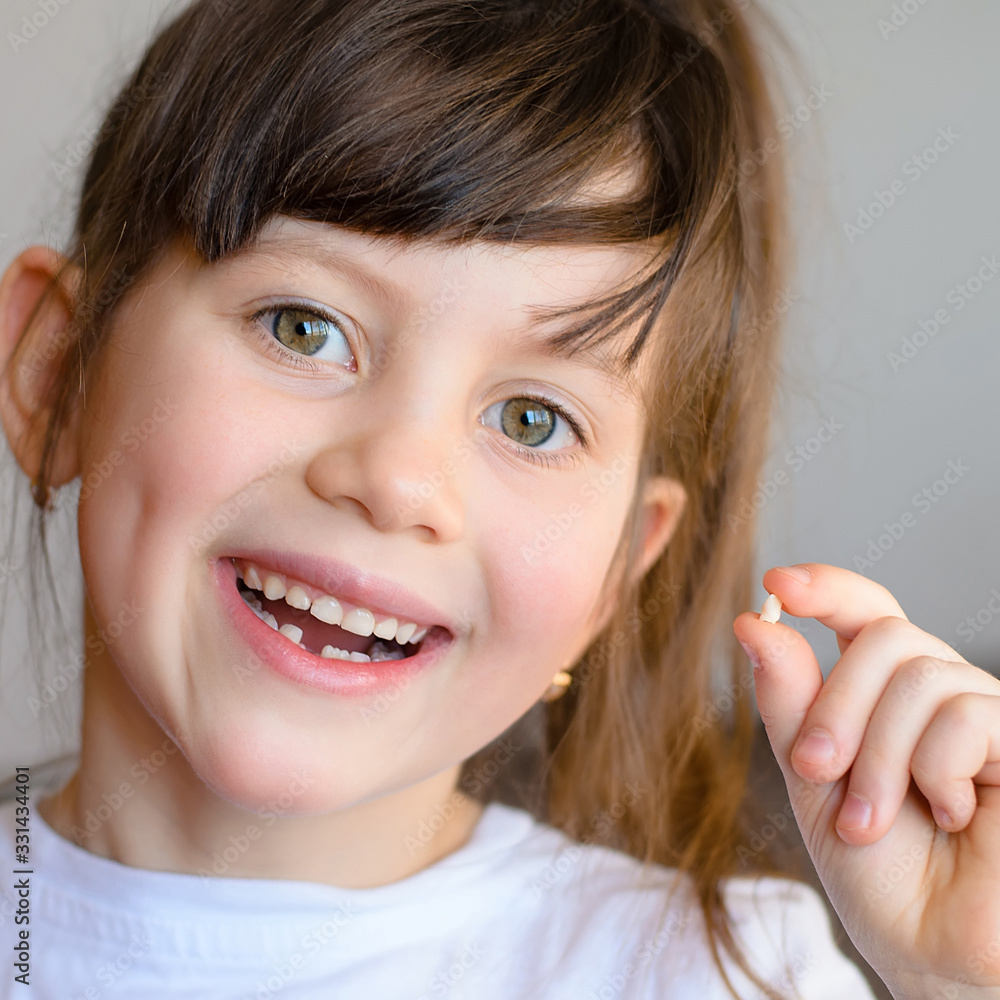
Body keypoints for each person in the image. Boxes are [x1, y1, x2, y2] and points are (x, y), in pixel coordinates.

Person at [0, 1, 996, 997]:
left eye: (531, 420)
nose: (398, 482)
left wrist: (949, 981)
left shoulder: (718, 975)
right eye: (303, 327)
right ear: (57, 374)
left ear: (619, 568)